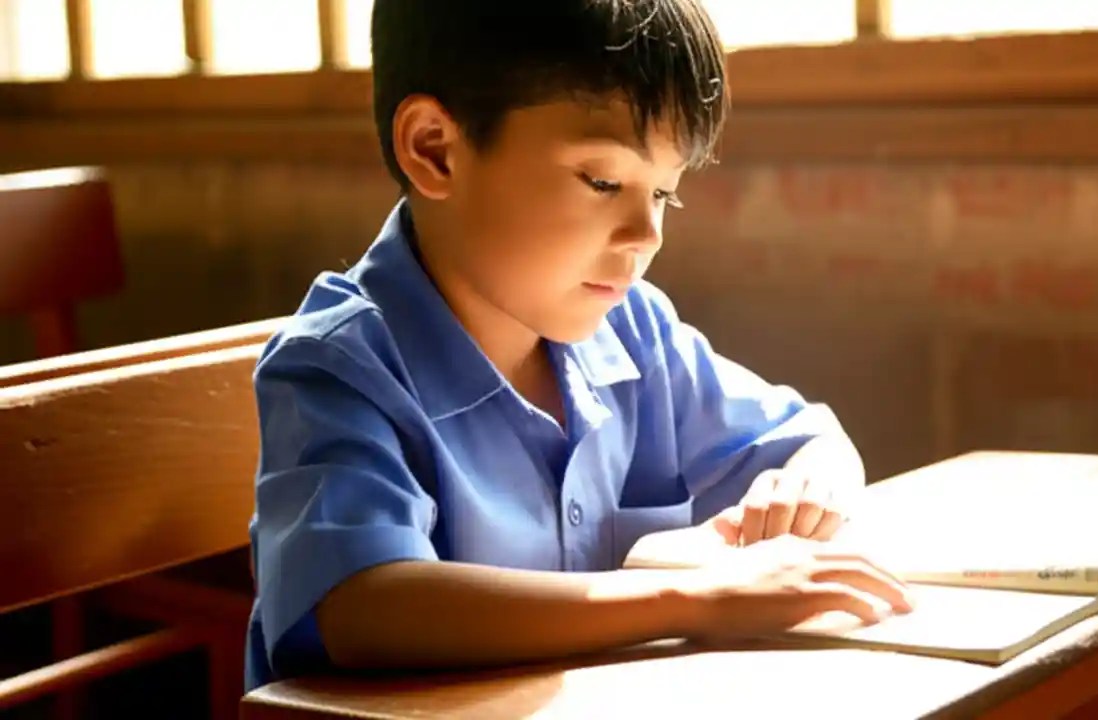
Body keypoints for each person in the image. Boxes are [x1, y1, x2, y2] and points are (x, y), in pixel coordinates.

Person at [243, 0, 912, 692]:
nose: (646, 235)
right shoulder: (340, 366)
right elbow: (362, 608)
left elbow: (812, 440)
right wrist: (697, 599)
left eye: (663, 194)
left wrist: (802, 488)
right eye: (603, 182)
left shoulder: (630, 331)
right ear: (435, 149)